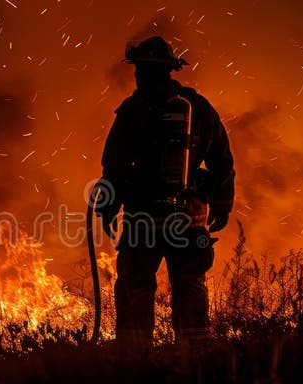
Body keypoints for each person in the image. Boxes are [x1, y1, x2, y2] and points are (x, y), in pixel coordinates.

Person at [94, 36, 235, 347]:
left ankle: (134, 362)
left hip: (142, 219)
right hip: (188, 219)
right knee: (190, 285)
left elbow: (114, 167)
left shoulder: (132, 111)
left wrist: (106, 208)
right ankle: (195, 360)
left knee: (135, 287)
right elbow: (222, 160)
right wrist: (221, 203)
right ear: (171, 69)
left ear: (141, 71)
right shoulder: (197, 108)